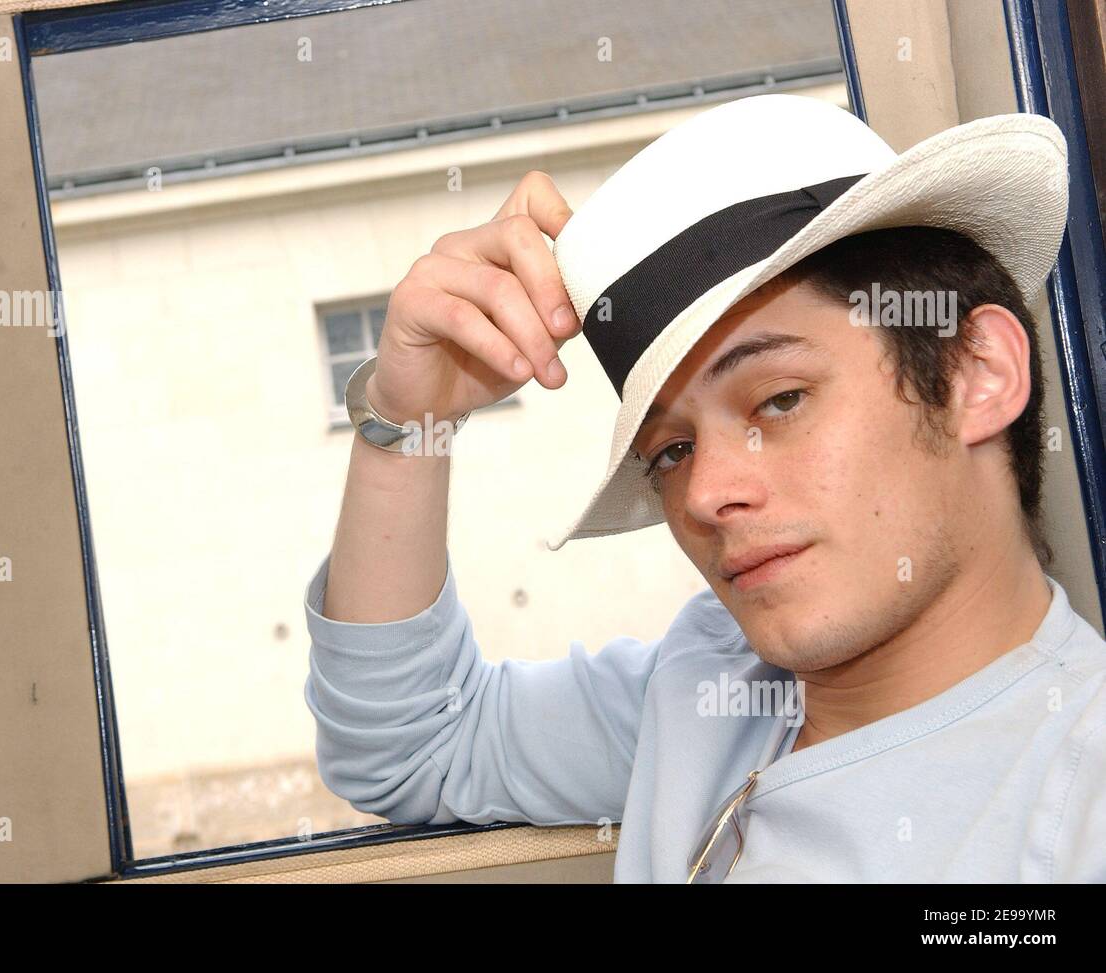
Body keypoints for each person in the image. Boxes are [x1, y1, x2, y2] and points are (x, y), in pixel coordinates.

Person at [301, 94, 1106, 882]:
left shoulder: (1078, 797)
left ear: (978, 374)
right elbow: (409, 743)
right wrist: (408, 424)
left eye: (779, 399)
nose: (704, 494)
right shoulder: (707, 687)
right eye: (671, 450)